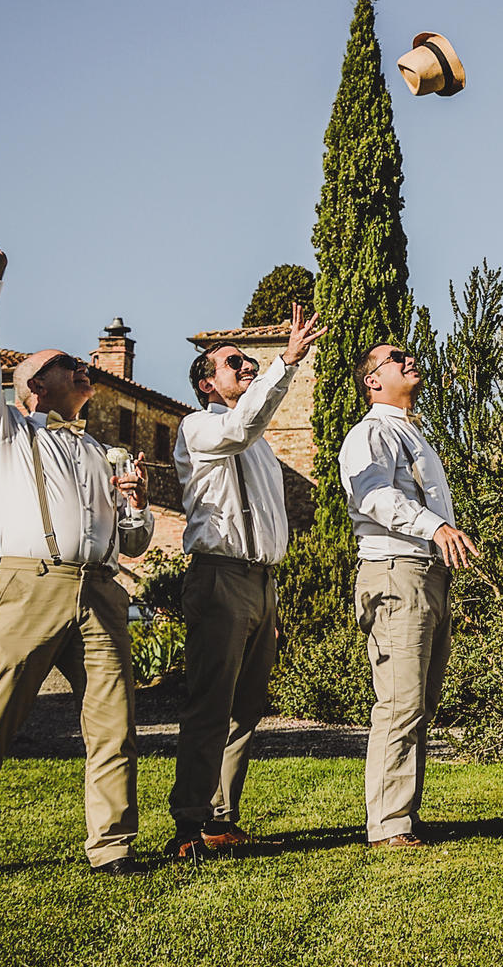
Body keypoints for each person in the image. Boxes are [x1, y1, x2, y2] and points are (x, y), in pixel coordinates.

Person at [0, 227, 154, 881]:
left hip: (100, 589)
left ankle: (111, 849)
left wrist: (133, 505)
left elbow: (132, 543)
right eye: (67, 362)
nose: (84, 367)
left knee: (113, 722)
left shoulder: (104, 453)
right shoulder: (4, 432)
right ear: (32, 387)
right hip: (28, 587)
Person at [165, 302, 324, 860]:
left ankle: (221, 820)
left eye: (251, 361)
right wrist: (286, 361)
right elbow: (240, 426)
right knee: (210, 704)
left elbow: (252, 434)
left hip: (262, 582)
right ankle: (188, 825)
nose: (248, 366)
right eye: (237, 363)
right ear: (208, 382)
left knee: (246, 708)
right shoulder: (200, 425)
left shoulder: (260, 446)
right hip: (221, 576)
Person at [340, 342, 478, 847]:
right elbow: (373, 494)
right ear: (373, 380)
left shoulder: (413, 434)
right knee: (399, 702)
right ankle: (390, 825)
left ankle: (404, 815)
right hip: (396, 572)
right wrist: (435, 526)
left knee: (421, 701)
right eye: (396, 356)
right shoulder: (370, 432)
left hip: (427, 575)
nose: (410, 358)